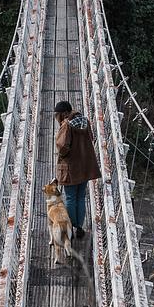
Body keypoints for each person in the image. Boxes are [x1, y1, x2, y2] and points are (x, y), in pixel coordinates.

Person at [53, 100, 102, 235]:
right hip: (85, 167)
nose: (56, 118)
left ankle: (69, 228)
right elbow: (90, 138)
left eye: (57, 115)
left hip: (71, 169)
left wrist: (64, 152)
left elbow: (62, 147)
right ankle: (79, 227)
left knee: (70, 198)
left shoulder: (67, 126)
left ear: (63, 114)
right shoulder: (85, 121)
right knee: (80, 197)